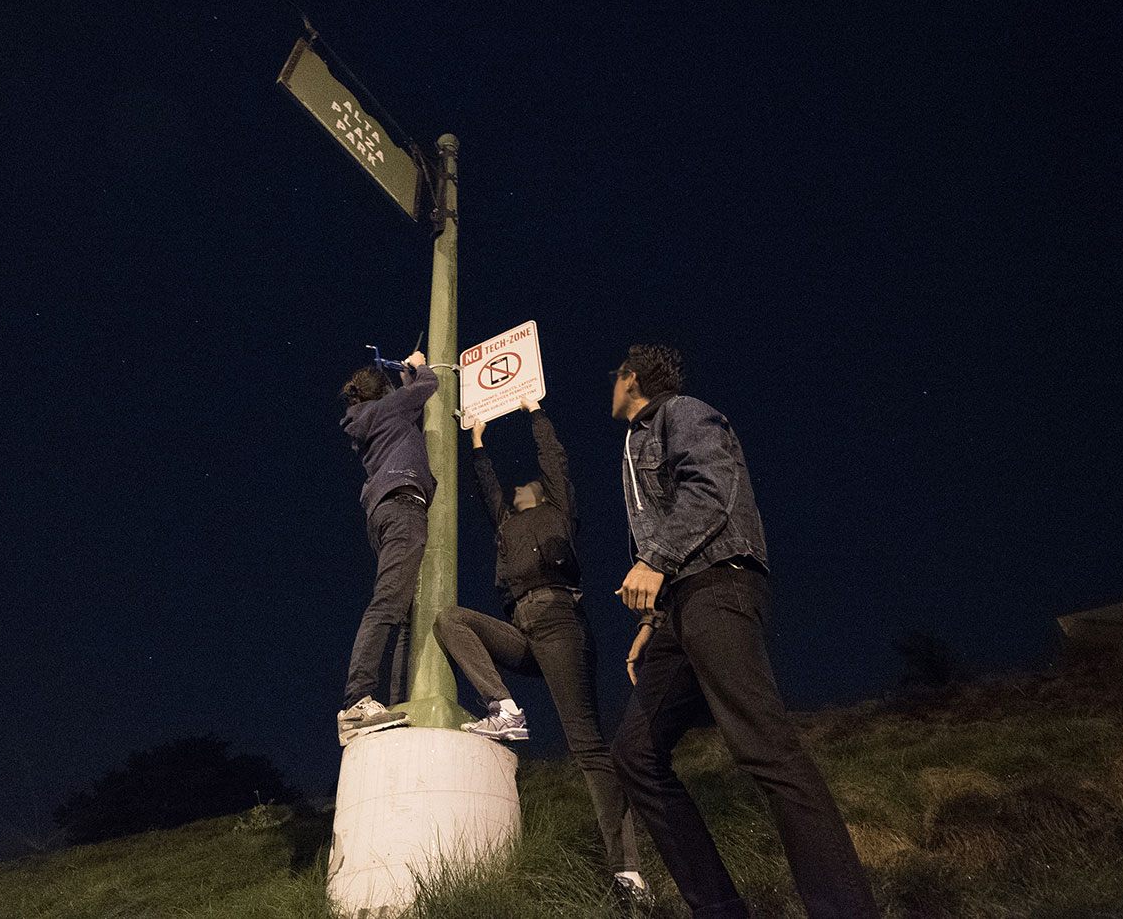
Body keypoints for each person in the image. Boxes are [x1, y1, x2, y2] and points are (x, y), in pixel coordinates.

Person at [608, 343, 879, 919]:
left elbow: (712, 487)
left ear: (632, 379)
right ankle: (720, 909)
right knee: (635, 753)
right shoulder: (634, 442)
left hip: (719, 585)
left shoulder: (682, 412)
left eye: (615, 376)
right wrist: (653, 620)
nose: (610, 385)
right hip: (680, 607)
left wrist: (653, 559)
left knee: (764, 748)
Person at [433, 397, 648, 898]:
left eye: (530, 485)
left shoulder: (558, 510)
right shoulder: (507, 522)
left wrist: (535, 412)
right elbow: (487, 488)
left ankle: (628, 873)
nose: (522, 486)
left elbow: (555, 462)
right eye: (518, 487)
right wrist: (477, 438)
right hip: (522, 629)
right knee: (451, 619)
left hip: (559, 622)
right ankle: (505, 708)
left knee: (587, 745)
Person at [336, 350, 436, 747]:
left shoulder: (375, 417)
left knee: (404, 615)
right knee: (386, 606)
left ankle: (397, 705)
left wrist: (405, 383)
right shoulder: (389, 409)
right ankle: (356, 703)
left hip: (383, 513)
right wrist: (420, 365)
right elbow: (429, 386)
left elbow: (409, 406)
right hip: (403, 508)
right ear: (384, 393)